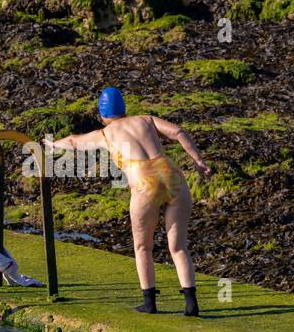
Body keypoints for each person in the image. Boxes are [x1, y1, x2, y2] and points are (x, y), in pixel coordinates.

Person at [50, 87, 211, 315]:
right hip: (173, 177)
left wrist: (51, 145)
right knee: (178, 246)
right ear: (124, 109)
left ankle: (149, 302)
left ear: (102, 115)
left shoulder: (105, 134)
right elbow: (178, 132)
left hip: (145, 185)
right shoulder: (145, 119)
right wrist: (198, 160)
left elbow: (74, 142)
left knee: (143, 246)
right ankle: (191, 303)